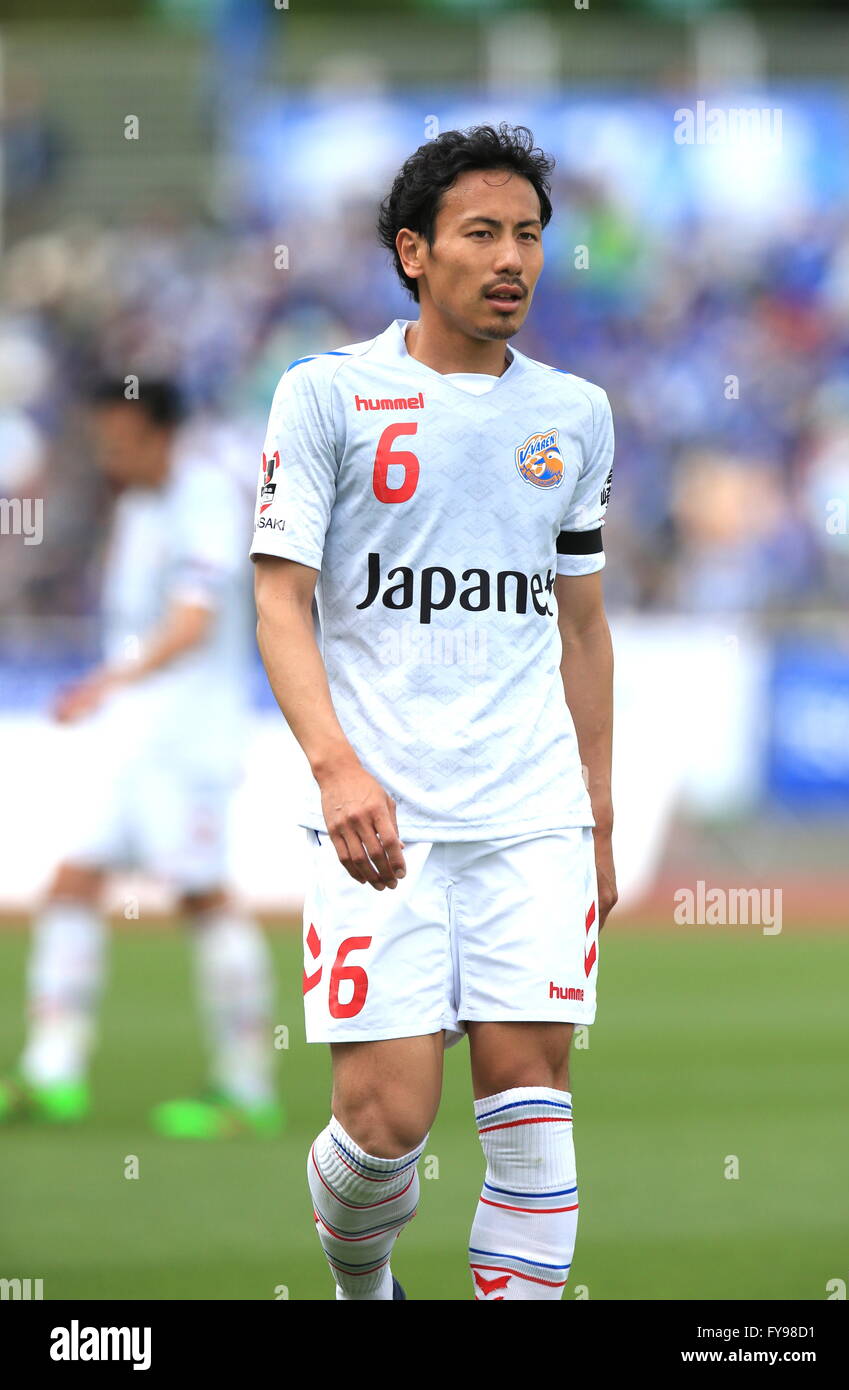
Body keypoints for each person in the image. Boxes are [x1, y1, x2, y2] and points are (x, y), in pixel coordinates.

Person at [251, 123, 617, 1298]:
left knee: (531, 1114)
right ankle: (365, 1286)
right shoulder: (326, 396)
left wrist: (595, 811)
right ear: (413, 252)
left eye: (526, 235)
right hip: (382, 818)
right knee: (383, 1128)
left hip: (529, 811)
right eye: (480, 234)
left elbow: (581, 625)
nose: (510, 258)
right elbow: (279, 601)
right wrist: (335, 770)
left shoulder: (575, 414)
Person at [1, 380, 282, 1140]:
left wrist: (104, 684)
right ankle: (52, 1071)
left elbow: (194, 622)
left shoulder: (204, 498)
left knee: (200, 894)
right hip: (132, 735)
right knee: (73, 879)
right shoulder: (137, 507)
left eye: (121, 440)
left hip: (190, 738)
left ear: (160, 434)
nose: (110, 455)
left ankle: (246, 1084)